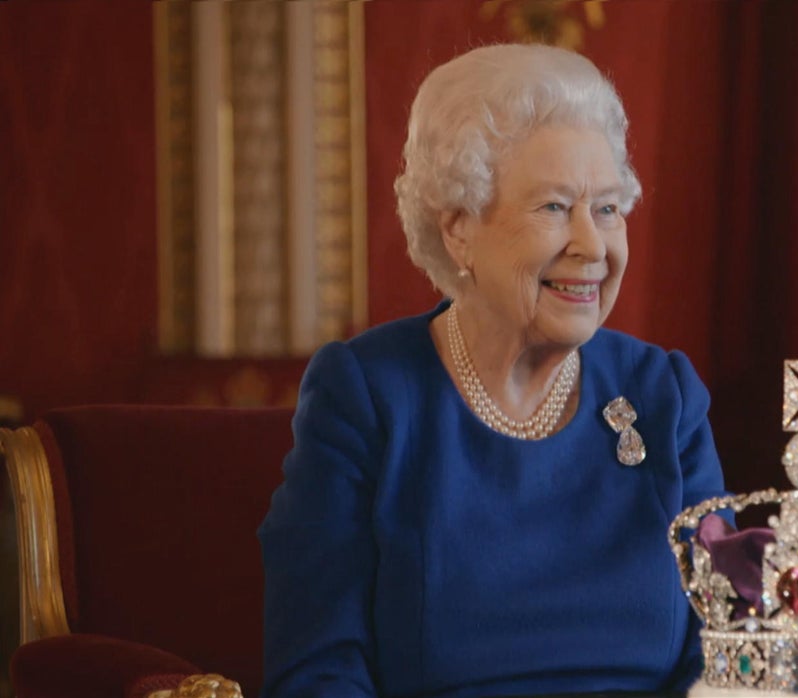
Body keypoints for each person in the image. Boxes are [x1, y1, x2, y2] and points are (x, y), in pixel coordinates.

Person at [259, 44, 727, 698]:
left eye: (608, 209)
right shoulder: (369, 398)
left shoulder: (663, 397)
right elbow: (316, 670)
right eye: (555, 207)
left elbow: (729, 649)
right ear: (459, 230)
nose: (592, 246)